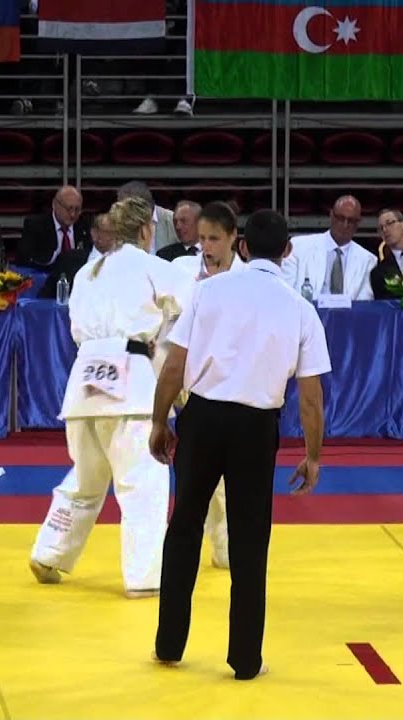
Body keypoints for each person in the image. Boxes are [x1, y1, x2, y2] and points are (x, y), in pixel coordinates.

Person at [149, 209, 331, 680]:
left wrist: (158, 422)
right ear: (287, 251)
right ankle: (245, 659)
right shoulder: (299, 308)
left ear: (243, 246)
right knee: (250, 540)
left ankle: (169, 643)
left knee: (184, 525)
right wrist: (312, 456)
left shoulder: (208, 291)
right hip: (256, 427)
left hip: (203, 419)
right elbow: (310, 398)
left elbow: (173, 367)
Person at [29, 196, 193, 598]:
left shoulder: (88, 272)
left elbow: (73, 328)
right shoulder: (154, 267)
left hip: (85, 380)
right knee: (143, 481)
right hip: (129, 381)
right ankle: (144, 577)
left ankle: (50, 550)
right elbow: (191, 307)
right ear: (144, 231)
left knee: (87, 478)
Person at [169, 201, 245, 570]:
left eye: (215, 238)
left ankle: (228, 545)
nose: (207, 246)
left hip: (236, 386)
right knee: (198, 476)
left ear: (233, 238)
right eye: (202, 239)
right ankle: (203, 546)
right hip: (192, 387)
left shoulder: (250, 280)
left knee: (230, 477)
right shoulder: (180, 271)